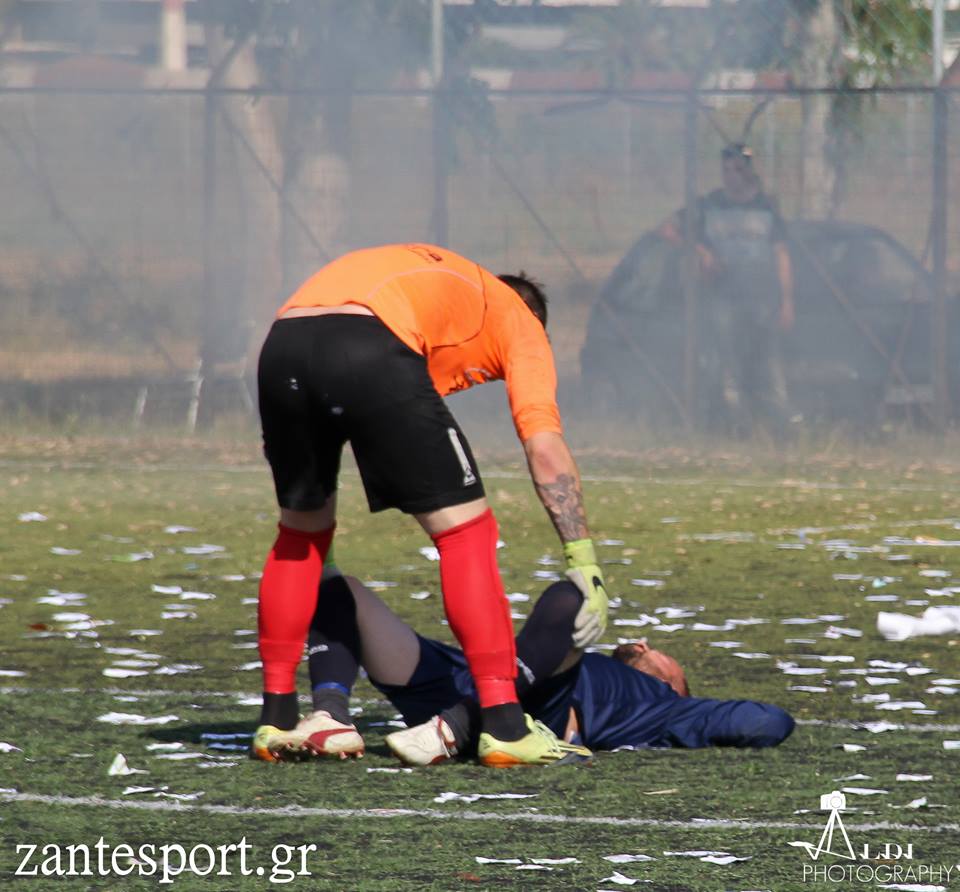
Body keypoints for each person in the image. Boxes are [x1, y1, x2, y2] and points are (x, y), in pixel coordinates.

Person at [252, 244, 608, 767]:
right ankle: (506, 727)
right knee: (467, 534)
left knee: (300, 536)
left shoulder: (444, 287)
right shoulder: (518, 318)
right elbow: (545, 447)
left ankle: (277, 720)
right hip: (369, 341)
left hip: (282, 344)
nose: (479, 381)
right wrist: (583, 559)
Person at [277, 572, 793, 764]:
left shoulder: (661, 707)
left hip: (528, 704)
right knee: (337, 591)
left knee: (577, 598)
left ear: (674, 686)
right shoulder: (599, 665)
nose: (641, 643)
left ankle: (458, 724)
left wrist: (687, 709)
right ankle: (330, 716)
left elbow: (768, 722)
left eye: (656, 655)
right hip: (472, 679)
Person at [659, 144, 795, 435]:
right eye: (727, 169)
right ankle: (737, 429)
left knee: (768, 366)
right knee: (727, 364)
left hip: (762, 302)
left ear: (749, 170)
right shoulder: (710, 205)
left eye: (738, 169)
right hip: (723, 299)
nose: (732, 175)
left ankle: (780, 431)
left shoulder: (766, 208)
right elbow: (668, 229)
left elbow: (782, 254)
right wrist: (701, 251)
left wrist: (786, 300)